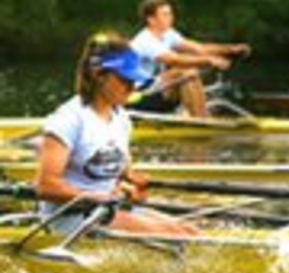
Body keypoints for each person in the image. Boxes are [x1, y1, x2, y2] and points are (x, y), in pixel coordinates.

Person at [35, 31, 198, 236]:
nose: (132, 88)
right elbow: (46, 186)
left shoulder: (121, 119)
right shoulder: (68, 119)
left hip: (104, 210)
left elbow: (122, 175)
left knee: (189, 231)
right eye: (125, 80)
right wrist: (96, 197)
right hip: (70, 216)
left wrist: (134, 187)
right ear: (98, 75)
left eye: (134, 80)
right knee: (174, 235)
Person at [129, 0, 250, 117]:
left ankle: (201, 118)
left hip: (157, 90)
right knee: (184, 71)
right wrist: (209, 60)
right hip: (138, 95)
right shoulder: (145, 40)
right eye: (165, 15)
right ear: (151, 20)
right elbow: (175, 60)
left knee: (191, 74)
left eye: (171, 14)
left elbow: (200, 48)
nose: (171, 18)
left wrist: (231, 49)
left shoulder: (168, 34)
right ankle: (201, 120)